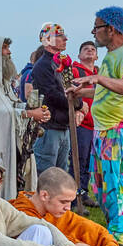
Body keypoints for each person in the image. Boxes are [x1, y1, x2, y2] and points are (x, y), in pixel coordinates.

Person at [73, 7, 123, 246]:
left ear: (111, 29)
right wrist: (81, 91)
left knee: (116, 183)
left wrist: (99, 79)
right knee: (102, 185)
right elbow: (107, 89)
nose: (94, 33)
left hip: (118, 131)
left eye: (97, 27)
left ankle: (119, 238)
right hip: (104, 130)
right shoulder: (111, 56)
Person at [0, 36, 50, 201]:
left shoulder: (3, 82)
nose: (9, 52)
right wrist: (29, 114)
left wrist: (34, 111)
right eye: (5, 48)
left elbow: (11, 105)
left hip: (8, 141)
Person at [30, 23, 74, 176]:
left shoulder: (59, 63)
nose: (65, 39)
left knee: (61, 174)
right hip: (49, 128)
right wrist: (77, 104)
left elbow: (69, 89)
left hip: (62, 125)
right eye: (60, 36)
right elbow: (53, 95)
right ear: (47, 40)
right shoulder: (43, 65)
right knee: (47, 175)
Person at [73, 40, 99, 199]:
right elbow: (71, 92)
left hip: (97, 123)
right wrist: (78, 109)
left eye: (92, 49)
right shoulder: (76, 71)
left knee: (90, 162)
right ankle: (75, 195)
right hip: (82, 122)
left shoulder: (100, 74)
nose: (89, 51)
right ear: (79, 55)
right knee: (79, 160)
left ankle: (84, 193)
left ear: (96, 56)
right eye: (85, 49)